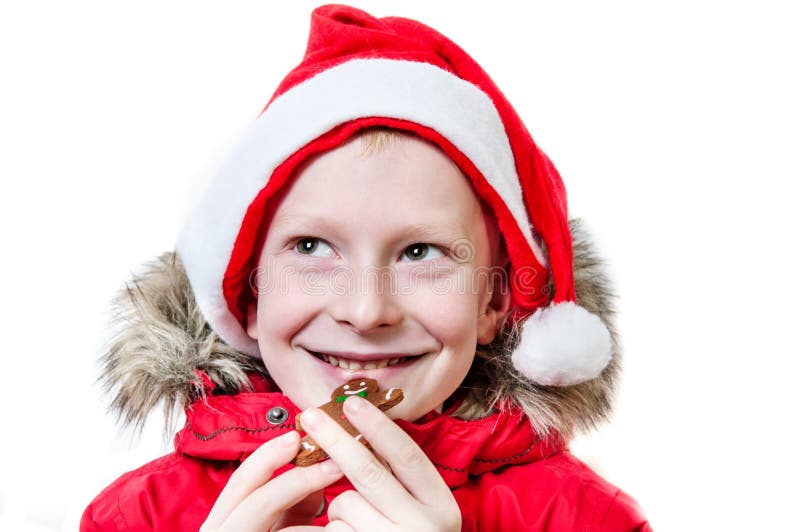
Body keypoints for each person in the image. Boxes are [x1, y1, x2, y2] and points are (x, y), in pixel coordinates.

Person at [81, 4, 651, 530]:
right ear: (248, 294)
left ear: (493, 304)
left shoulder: (586, 518)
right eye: (310, 248)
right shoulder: (135, 517)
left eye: (419, 253)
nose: (366, 311)